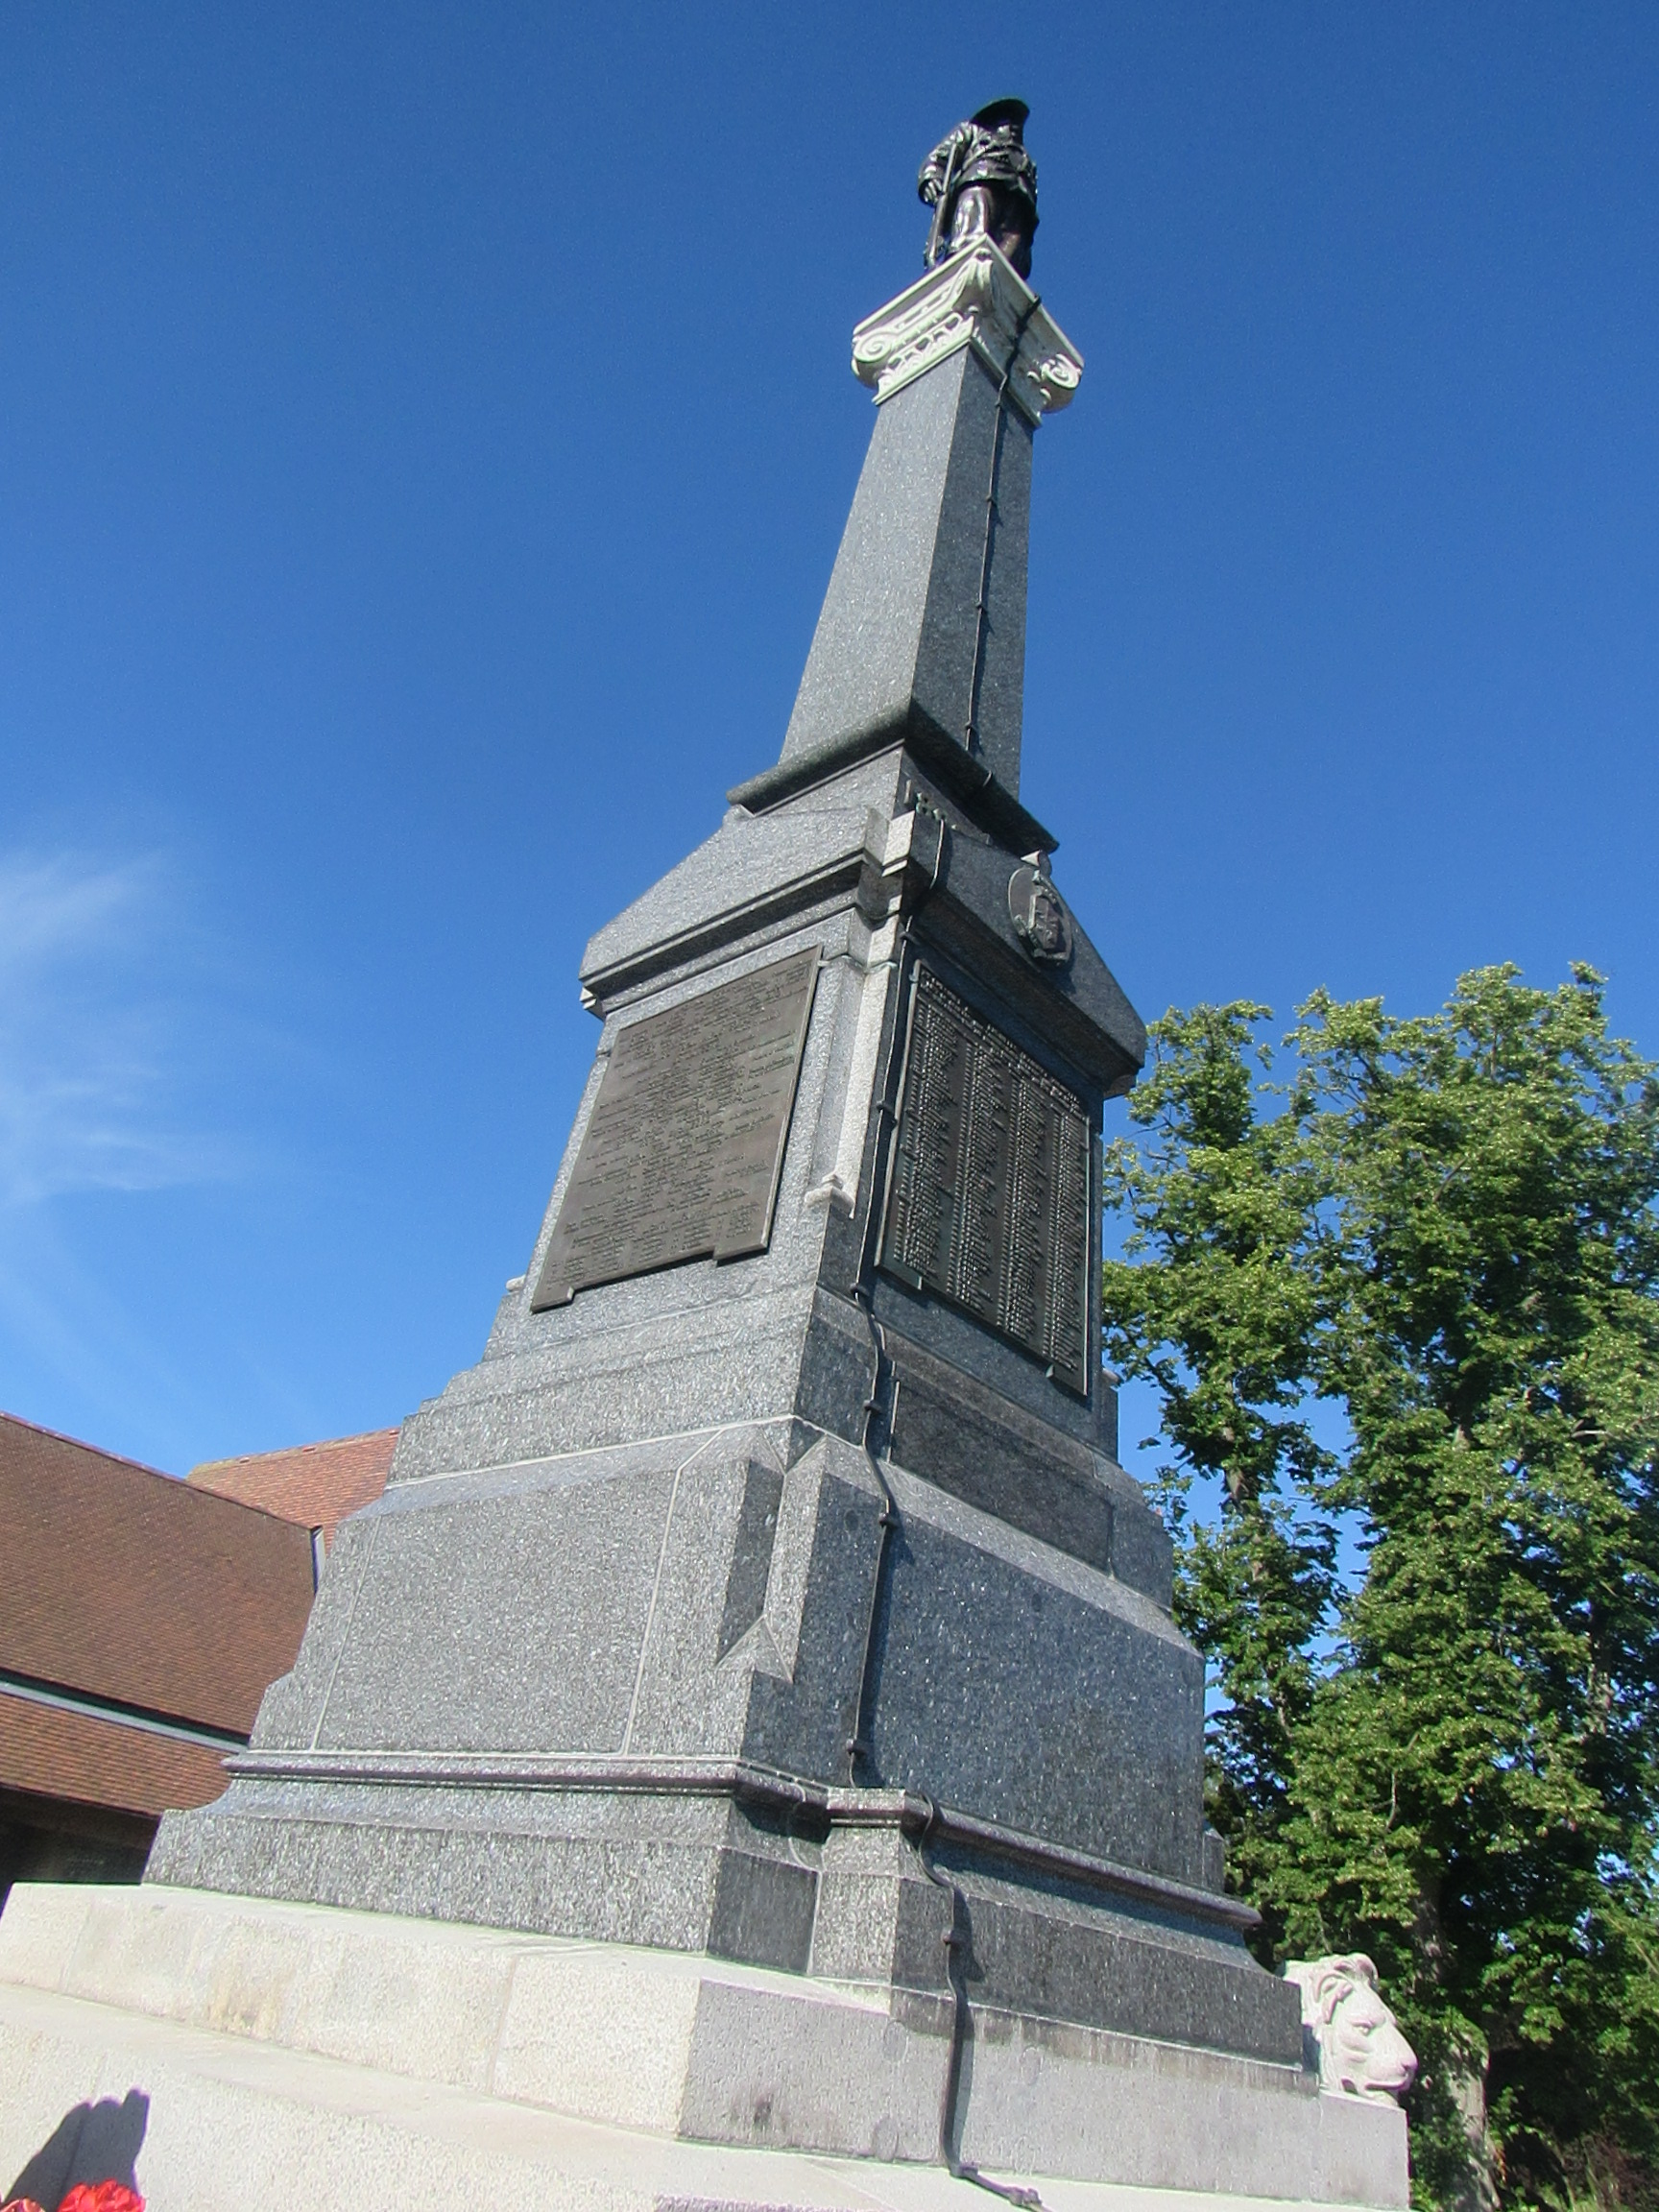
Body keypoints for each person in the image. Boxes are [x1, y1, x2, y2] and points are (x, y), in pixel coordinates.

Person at [918, 98, 1039, 279]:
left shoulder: (1025, 157)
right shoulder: (973, 131)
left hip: (1018, 201)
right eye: (1009, 121)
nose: (1014, 129)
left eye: (1017, 124)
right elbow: (939, 157)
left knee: (1010, 259)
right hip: (980, 183)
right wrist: (931, 178)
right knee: (970, 243)